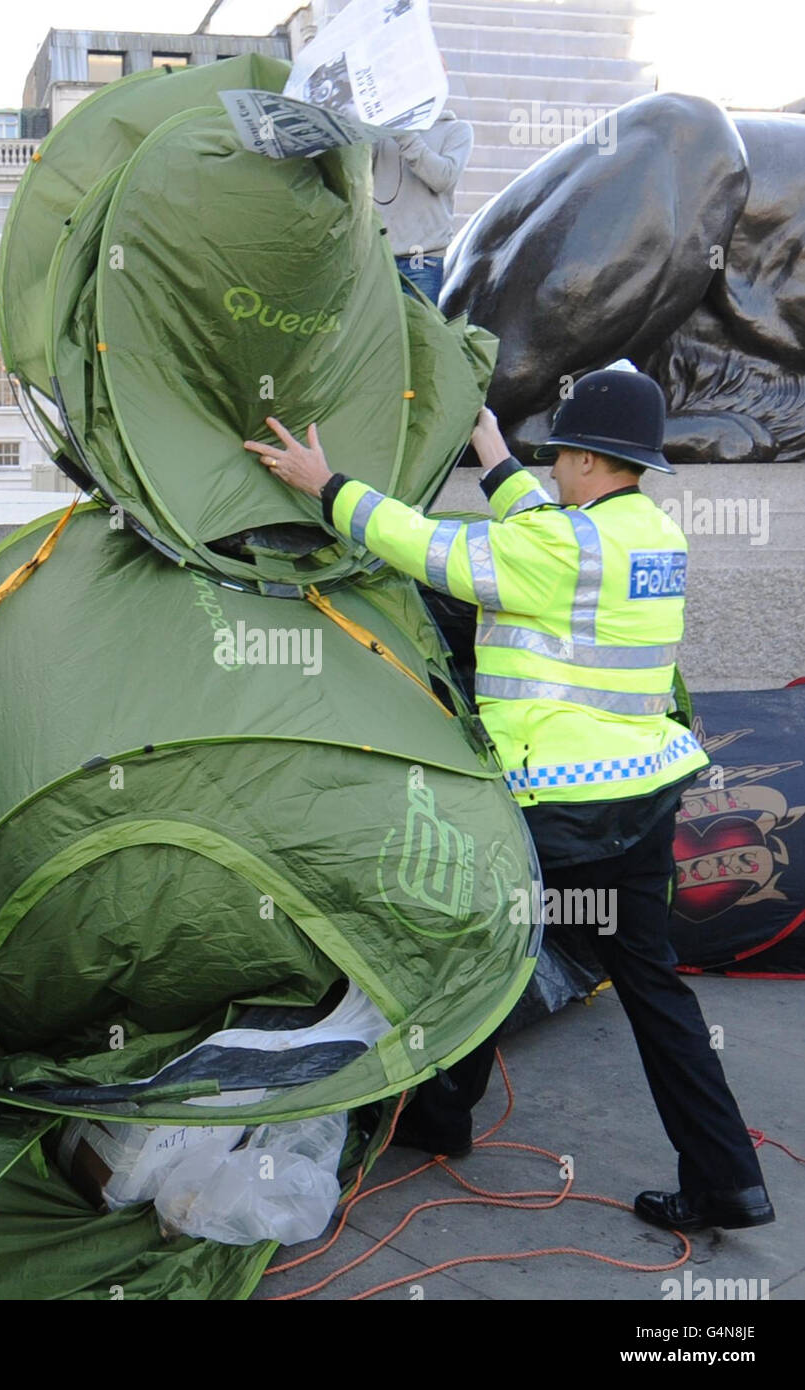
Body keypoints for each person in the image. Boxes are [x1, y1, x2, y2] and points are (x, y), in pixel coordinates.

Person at [242, 368, 775, 1234]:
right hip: (640, 799)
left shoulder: (558, 548)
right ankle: (727, 1181)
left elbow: (426, 548)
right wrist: (488, 444)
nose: (554, 466)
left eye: (561, 452)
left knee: (473, 943)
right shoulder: (645, 532)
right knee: (647, 987)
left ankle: (439, 1112)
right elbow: (540, 526)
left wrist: (325, 486)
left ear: (589, 459)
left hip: (558, 806)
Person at [373, 106, 473, 303]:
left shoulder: (457, 129)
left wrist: (404, 134)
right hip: (378, 256)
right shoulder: (380, 130)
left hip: (420, 259)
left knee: (419, 332)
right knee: (374, 332)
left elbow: (442, 178)